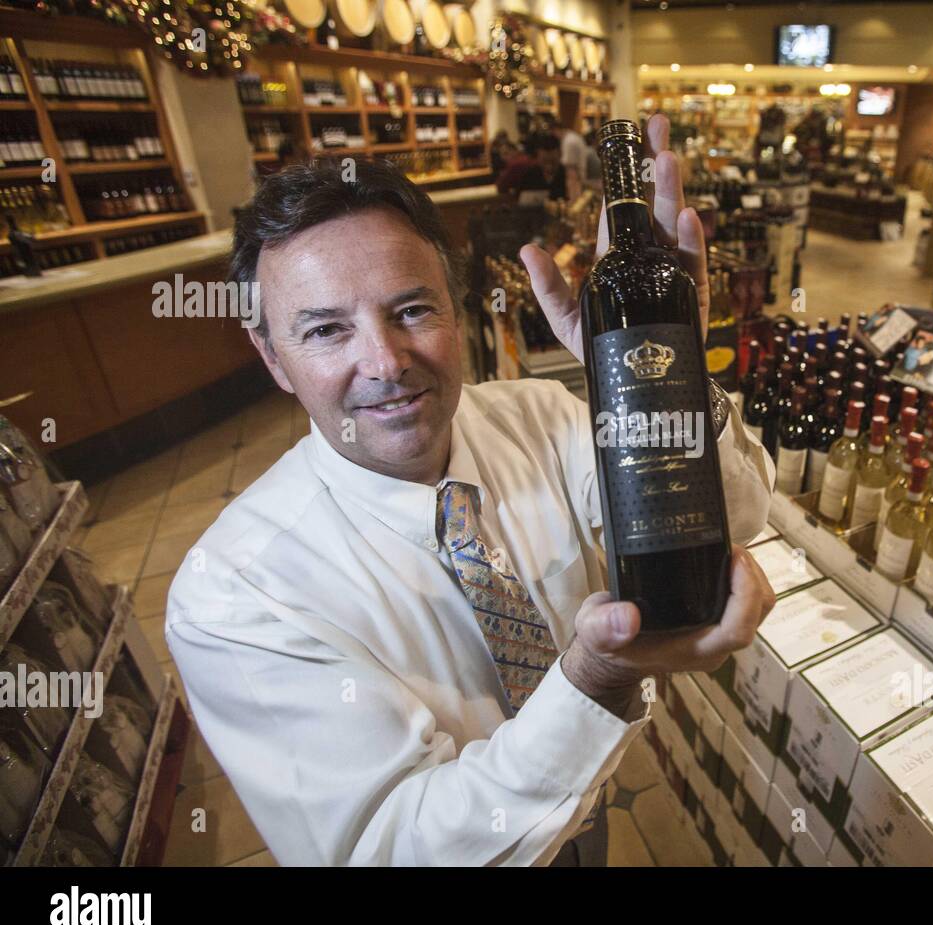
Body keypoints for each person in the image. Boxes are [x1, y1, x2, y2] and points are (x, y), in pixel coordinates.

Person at [164, 114, 777, 867]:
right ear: (273, 358)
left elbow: (739, 515)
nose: (386, 362)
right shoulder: (233, 594)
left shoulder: (540, 416)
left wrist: (666, 377)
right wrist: (598, 679)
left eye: (413, 310)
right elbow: (386, 849)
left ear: (457, 310)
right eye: (326, 331)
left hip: (588, 819)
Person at [496, 131, 565, 201]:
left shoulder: (567, 176)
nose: (549, 166)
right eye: (545, 161)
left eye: (553, 161)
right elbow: (518, 199)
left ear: (560, 155)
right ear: (538, 157)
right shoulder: (530, 175)